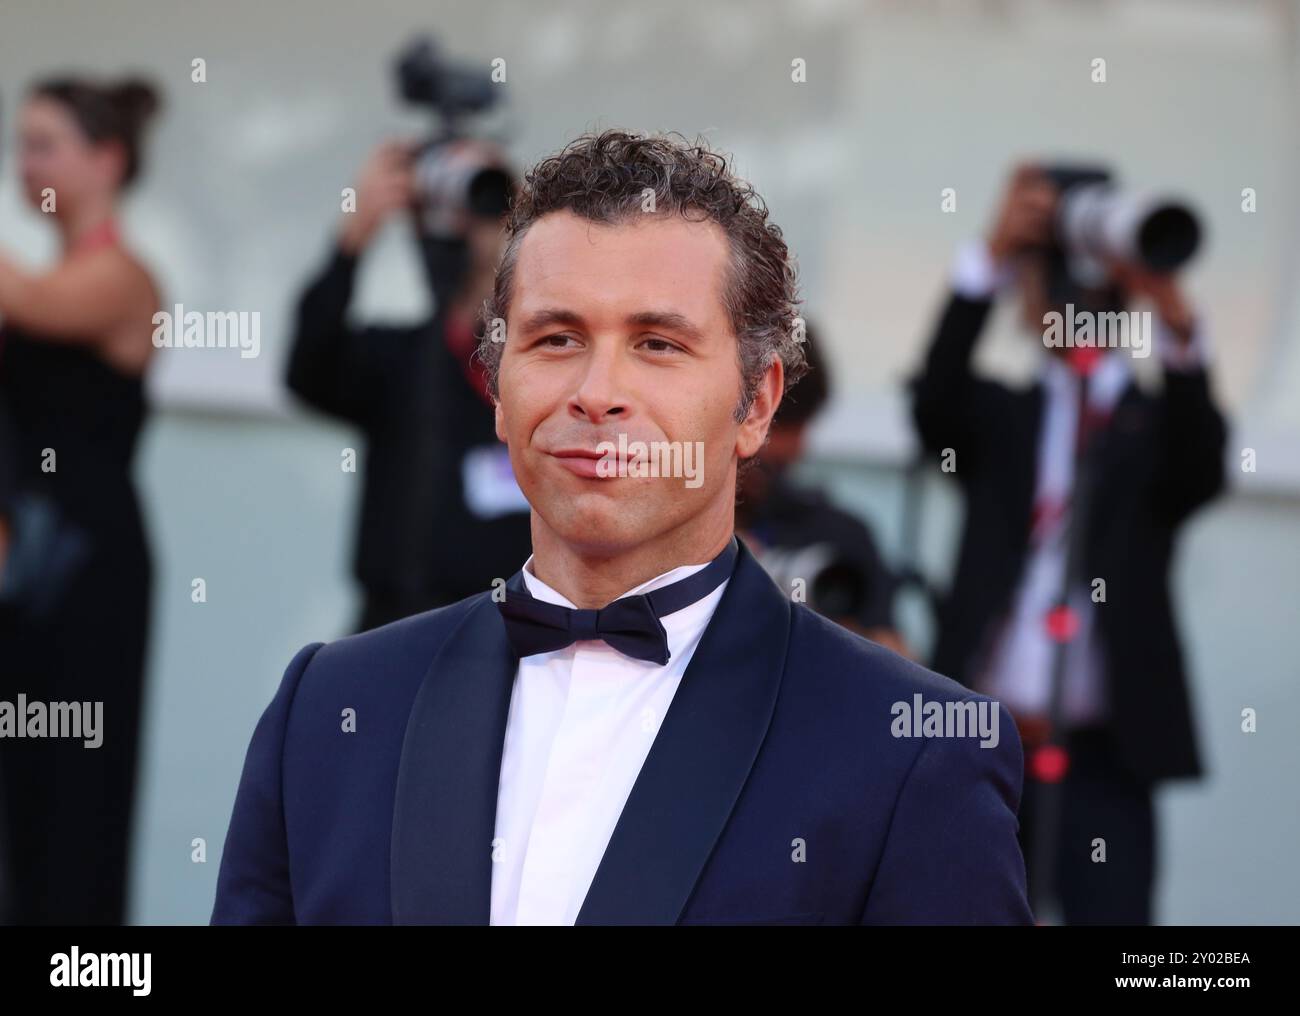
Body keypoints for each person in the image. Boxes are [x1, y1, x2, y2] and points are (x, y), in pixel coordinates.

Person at [212, 130, 1031, 926]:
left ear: (757, 403)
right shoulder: (331, 710)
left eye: (657, 344)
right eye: (557, 337)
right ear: (498, 388)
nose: (597, 392)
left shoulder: (910, 753)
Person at [910, 164, 1228, 924]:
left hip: (1104, 757)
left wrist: (1170, 309)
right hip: (983, 740)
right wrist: (993, 256)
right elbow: (934, 406)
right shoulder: (999, 419)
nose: (1071, 305)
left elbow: (1202, 469)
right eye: (1050, 285)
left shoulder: (1153, 433)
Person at [0, 76, 162, 924]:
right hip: (21, 569)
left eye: (46, 144)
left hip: (90, 575)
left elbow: (32, 302)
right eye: (21, 144)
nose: (28, 164)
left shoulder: (125, 280)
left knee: (76, 806)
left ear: (107, 159)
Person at [286, 138, 532, 632]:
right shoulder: (399, 357)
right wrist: (357, 230)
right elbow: (308, 368)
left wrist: (524, 240)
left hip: (510, 624)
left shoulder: (540, 359)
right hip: (389, 622)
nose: (471, 220)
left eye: (487, 198)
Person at [736, 322, 908, 656]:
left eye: (797, 423)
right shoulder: (665, 533)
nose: (796, 447)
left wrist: (839, 634)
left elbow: (899, 664)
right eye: (784, 422)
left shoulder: (840, 536)